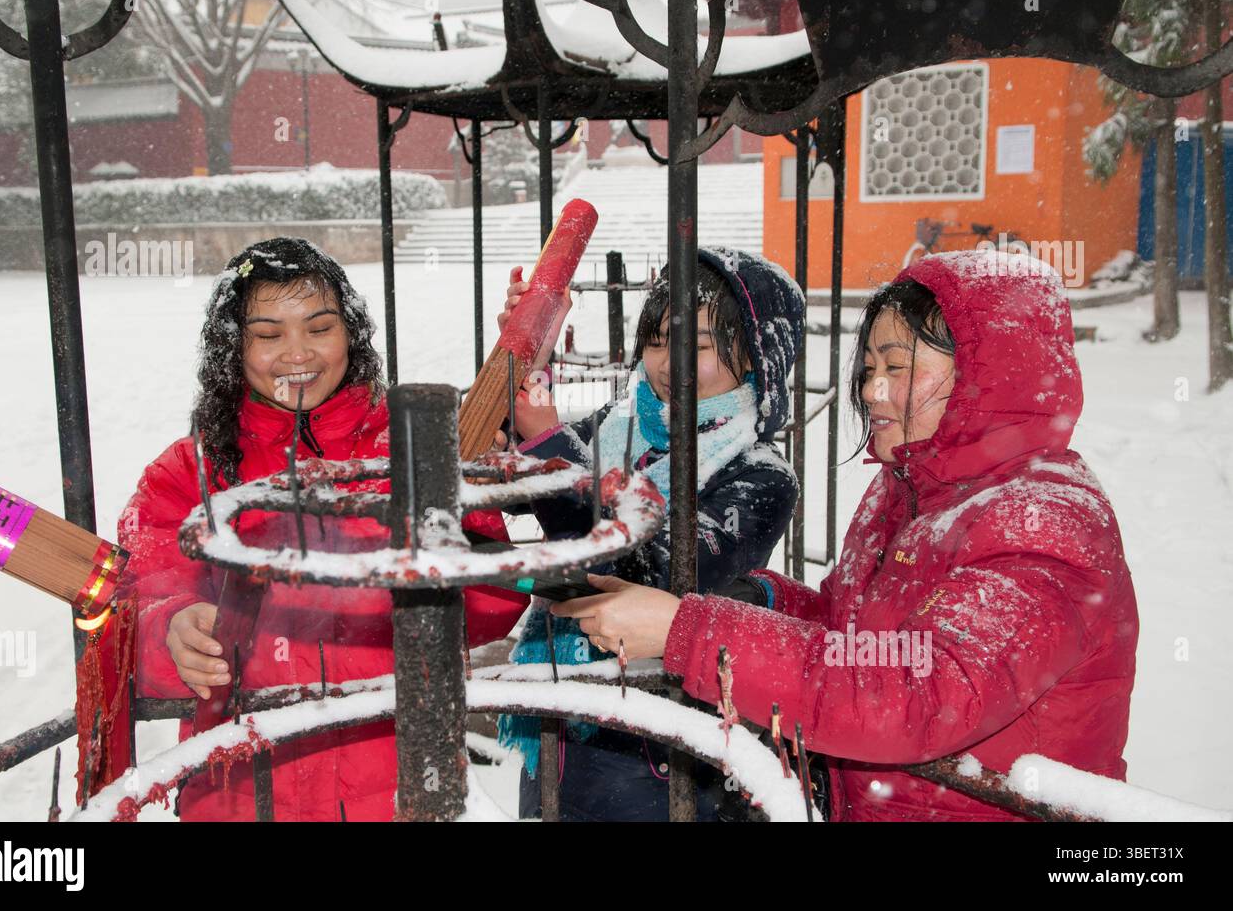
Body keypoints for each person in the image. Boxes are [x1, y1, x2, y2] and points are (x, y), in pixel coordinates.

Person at [552, 249, 1140, 821]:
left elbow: (915, 693)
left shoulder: (1044, 519)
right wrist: (765, 599)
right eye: (868, 370)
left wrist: (692, 631)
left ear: (990, 375)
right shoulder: (909, 491)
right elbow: (848, 622)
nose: (870, 391)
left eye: (898, 366)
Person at [117, 237, 527, 821]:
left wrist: (435, 555)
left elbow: (495, 600)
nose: (297, 353)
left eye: (319, 327)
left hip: (393, 784)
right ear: (232, 347)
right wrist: (171, 630)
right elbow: (137, 596)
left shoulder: (410, 448)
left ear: (350, 334)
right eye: (267, 334)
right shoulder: (189, 473)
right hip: (241, 793)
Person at [496, 247, 806, 821]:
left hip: (663, 748)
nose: (672, 361)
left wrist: (553, 450)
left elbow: (653, 574)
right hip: (561, 729)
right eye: (660, 340)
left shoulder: (759, 475)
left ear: (760, 356)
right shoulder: (618, 428)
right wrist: (530, 355)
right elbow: (501, 450)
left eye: (704, 344)